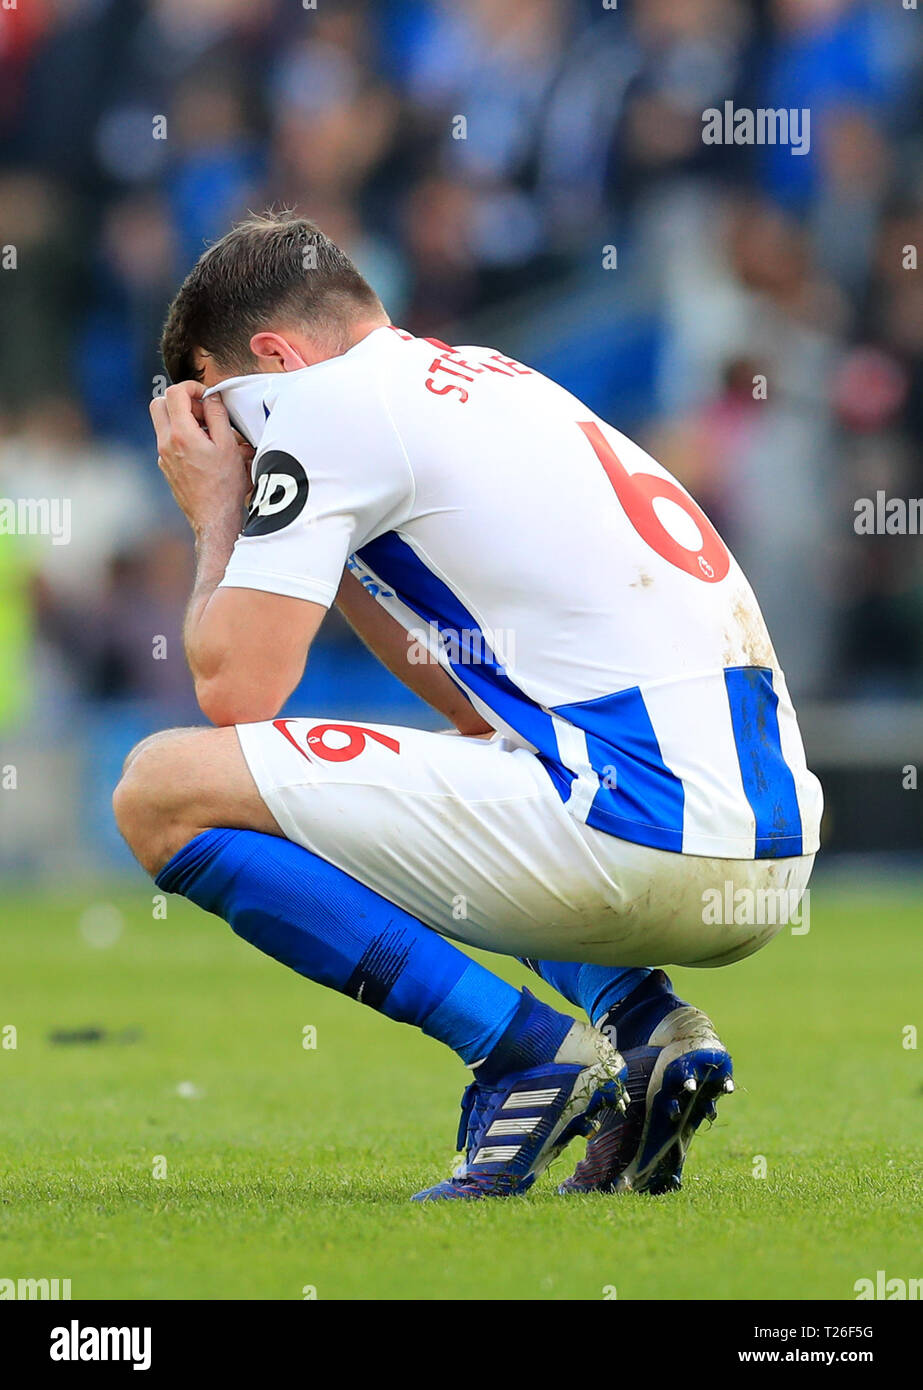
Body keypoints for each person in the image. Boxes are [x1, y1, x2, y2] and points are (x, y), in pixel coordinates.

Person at [113, 212, 822, 1201]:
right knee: (459, 770)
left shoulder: (326, 406)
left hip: (639, 826)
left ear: (273, 356)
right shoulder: (484, 378)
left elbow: (236, 688)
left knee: (160, 789)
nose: (218, 433)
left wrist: (215, 513)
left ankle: (522, 1052)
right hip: (756, 849)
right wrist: (329, 553)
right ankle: (646, 1027)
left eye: (216, 402)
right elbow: (472, 703)